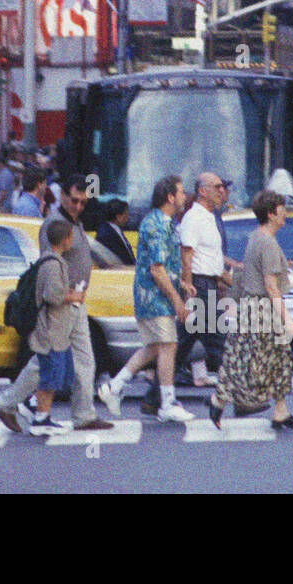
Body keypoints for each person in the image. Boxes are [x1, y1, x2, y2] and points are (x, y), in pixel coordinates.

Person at [0, 175, 112, 432]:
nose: (79, 206)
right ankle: (8, 402)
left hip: (75, 301)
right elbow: (50, 264)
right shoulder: (55, 225)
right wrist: (67, 295)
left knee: (83, 360)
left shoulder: (73, 221)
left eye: (83, 202)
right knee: (46, 361)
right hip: (62, 304)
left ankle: (84, 415)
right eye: (75, 201)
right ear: (63, 197)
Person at [97, 176, 193, 423]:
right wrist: (176, 300)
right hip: (155, 297)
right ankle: (167, 404)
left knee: (153, 347)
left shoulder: (165, 223)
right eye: (181, 192)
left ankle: (114, 387)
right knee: (169, 345)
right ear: (170, 197)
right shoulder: (158, 225)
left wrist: (180, 283)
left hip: (155, 294)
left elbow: (162, 267)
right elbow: (156, 269)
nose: (185, 196)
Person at [209, 190, 293, 429]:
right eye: (281, 209)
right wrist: (288, 321)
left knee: (275, 360)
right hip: (263, 310)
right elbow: (271, 287)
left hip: (253, 306)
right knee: (253, 361)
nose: (285, 213)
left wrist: (291, 264)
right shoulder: (267, 243)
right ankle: (217, 400)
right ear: (271, 214)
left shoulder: (257, 237)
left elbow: (256, 270)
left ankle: (281, 411)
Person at [21, 218, 82, 433]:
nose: (72, 240)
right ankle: (40, 419)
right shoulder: (53, 264)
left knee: (61, 375)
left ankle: (34, 407)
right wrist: (73, 296)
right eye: (71, 237)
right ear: (65, 240)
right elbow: (52, 295)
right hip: (50, 332)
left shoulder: (52, 261)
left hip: (57, 332)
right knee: (50, 377)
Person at [174, 172, 234, 387]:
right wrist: (188, 293)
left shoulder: (209, 217)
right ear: (202, 191)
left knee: (182, 344)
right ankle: (240, 394)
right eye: (217, 187)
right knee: (219, 341)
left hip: (207, 284)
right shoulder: (194, 217)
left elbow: (212, 260)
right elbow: (186, 256)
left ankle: (154, 397)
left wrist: (230, 283)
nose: (222, 191)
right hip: (198, 286)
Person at [95, 199, 136, 270]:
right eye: (126, 214)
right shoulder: (105, 234)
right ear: (118, 217)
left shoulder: (116, 230)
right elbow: (108, 262)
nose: (128, 217)